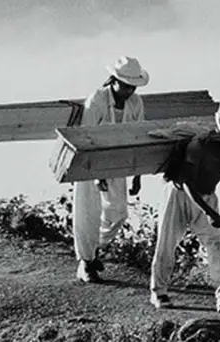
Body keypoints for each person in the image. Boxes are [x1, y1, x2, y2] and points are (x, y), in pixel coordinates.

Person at [149, 108, 220, 312]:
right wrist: (211, 214)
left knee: (218, 245)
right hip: (179, 194)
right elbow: (187, 183)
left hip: (207, 195)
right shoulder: (200, 145)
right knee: (166, 243)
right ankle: (159, 292)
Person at [73, 56, 149, 283]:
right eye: (125, 85)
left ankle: (95, 249)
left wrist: (138, 175)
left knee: (118, 212)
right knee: (88, 211)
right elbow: (88, 136)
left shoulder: (135, 103)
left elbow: (139, 136)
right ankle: (85, 263)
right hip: (89, 161)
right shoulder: (96, 100)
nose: (128, 91)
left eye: (132, 86)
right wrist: (96, 175)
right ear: (113, 80)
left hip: (119, 159)